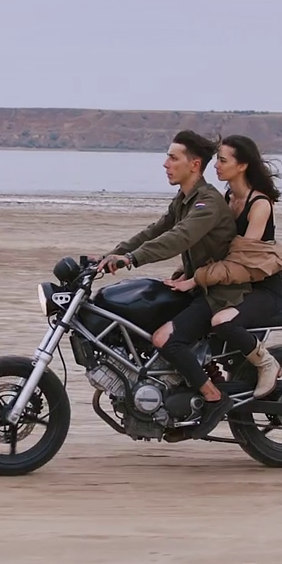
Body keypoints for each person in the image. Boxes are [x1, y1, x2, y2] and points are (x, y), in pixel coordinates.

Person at [95, 130, 237, 409]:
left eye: (173, 158)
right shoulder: (183, 199)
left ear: (194, 164)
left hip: (218, 293)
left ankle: (213, 397)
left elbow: (179, 237)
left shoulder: (207, 203)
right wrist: (112, 254)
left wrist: (132, 259)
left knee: (165, 338)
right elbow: (155, 231)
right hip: (198, 287)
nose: (165, 164)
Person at [173, 134, 282, 396]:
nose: (216, 166)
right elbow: (216, 247)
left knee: (222, 321)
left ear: (242, 165)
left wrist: (196, 279)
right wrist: (185, 273)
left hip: (261, 288)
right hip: (233, 283)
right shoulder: (227, 198)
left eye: (223, 161)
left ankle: (267, 363)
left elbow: (240, 262)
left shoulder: (259, 204)